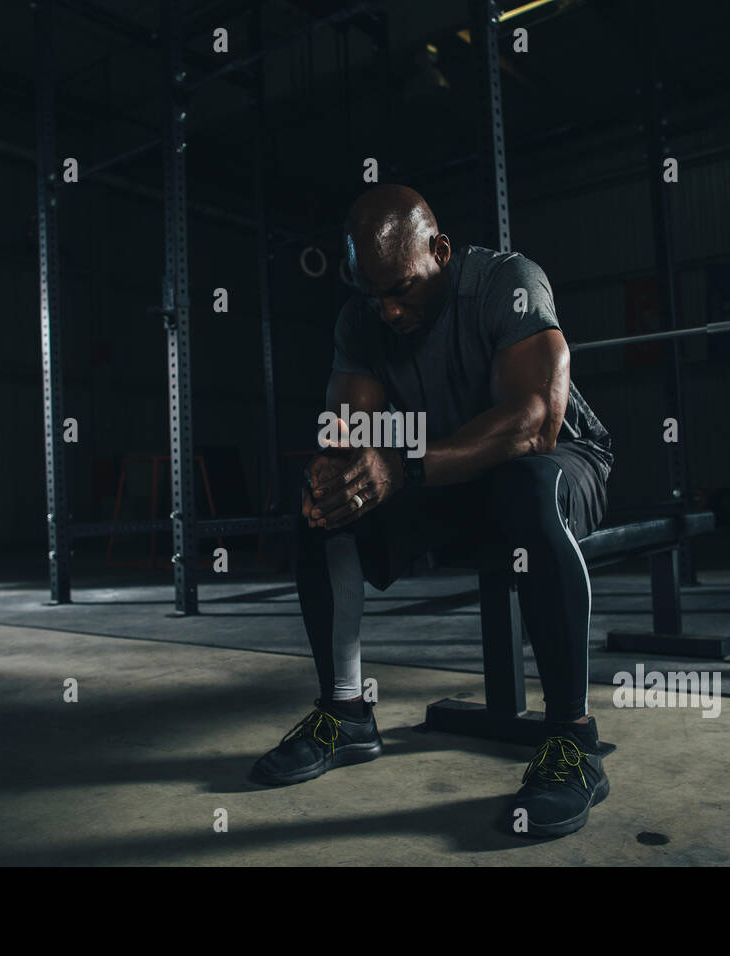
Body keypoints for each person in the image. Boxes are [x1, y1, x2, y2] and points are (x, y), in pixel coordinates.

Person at [250, 183, 616, 839]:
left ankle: (572, 741)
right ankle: (347, 715)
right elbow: (347, 429)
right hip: (449, 474)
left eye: (402, 289)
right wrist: (335, 473)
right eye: (373, 295)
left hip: (560, 464)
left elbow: (536, 422)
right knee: (322, 508)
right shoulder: (362, 321)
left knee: (525, 486)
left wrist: (403, 466)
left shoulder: (508, 281)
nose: (389, 311)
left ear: (440, 251)